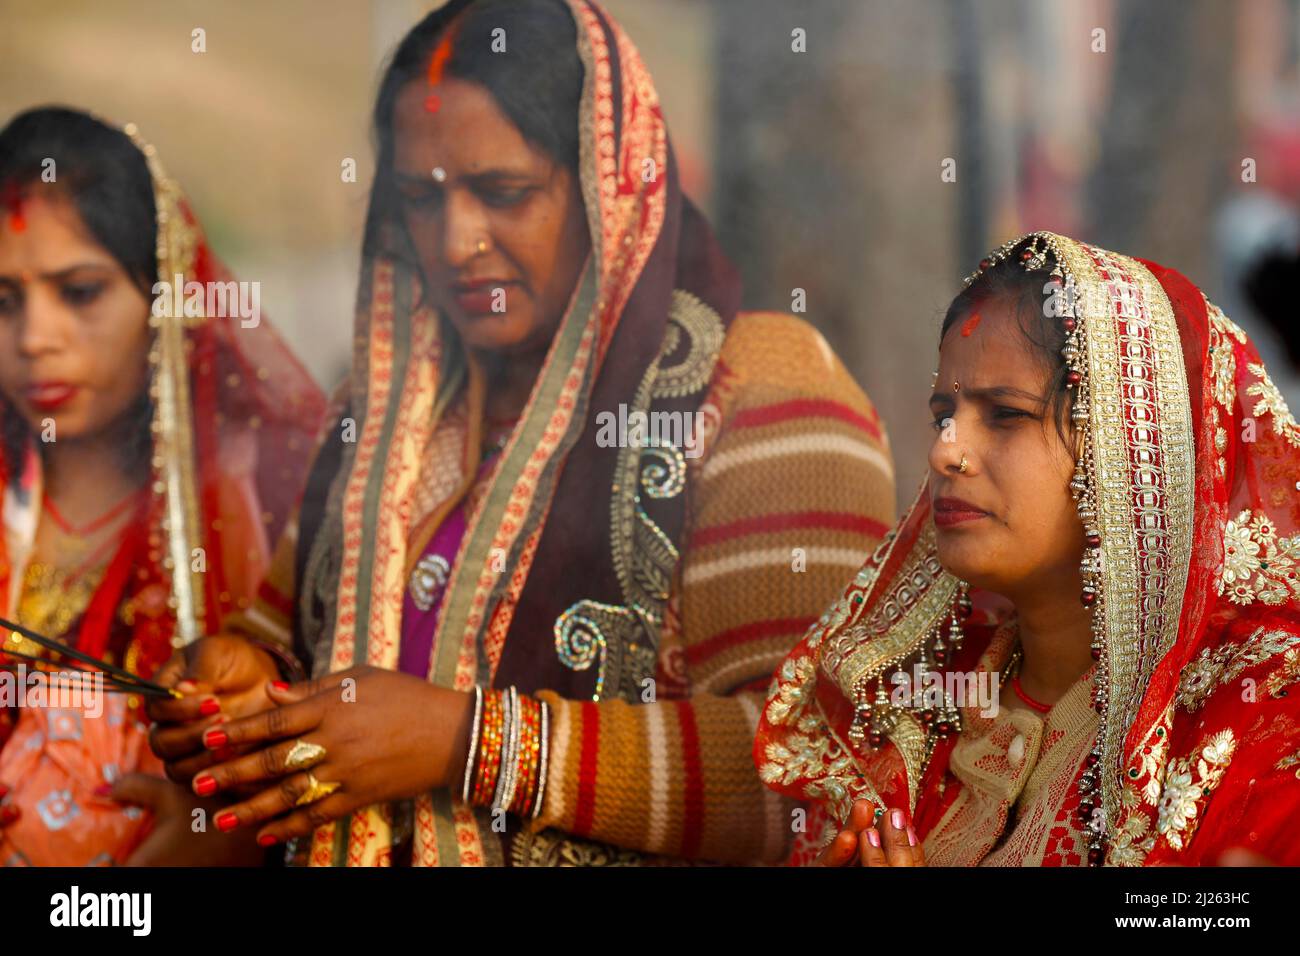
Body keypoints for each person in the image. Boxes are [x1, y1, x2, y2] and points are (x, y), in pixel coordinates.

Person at [147, 0, 896, 866]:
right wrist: (245, 686)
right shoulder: (384, 414)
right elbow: (291, 650)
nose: (458, 241)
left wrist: (470, 742)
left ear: (605, 185)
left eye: (503, 194)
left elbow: (818, 773)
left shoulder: (759, 386)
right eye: (421, 202)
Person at [755, 231, 1300, 866]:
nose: (944, 452)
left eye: (1007, 415)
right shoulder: (906, 712)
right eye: (943, 416)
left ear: (1134, 446)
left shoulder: (1265, 721)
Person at [0, 107, 325, 865]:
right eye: (2, 300)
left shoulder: (257, 509)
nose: (35, 338)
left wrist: (205, 845)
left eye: (79, 292)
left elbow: (304, 776)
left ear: (166, 299)